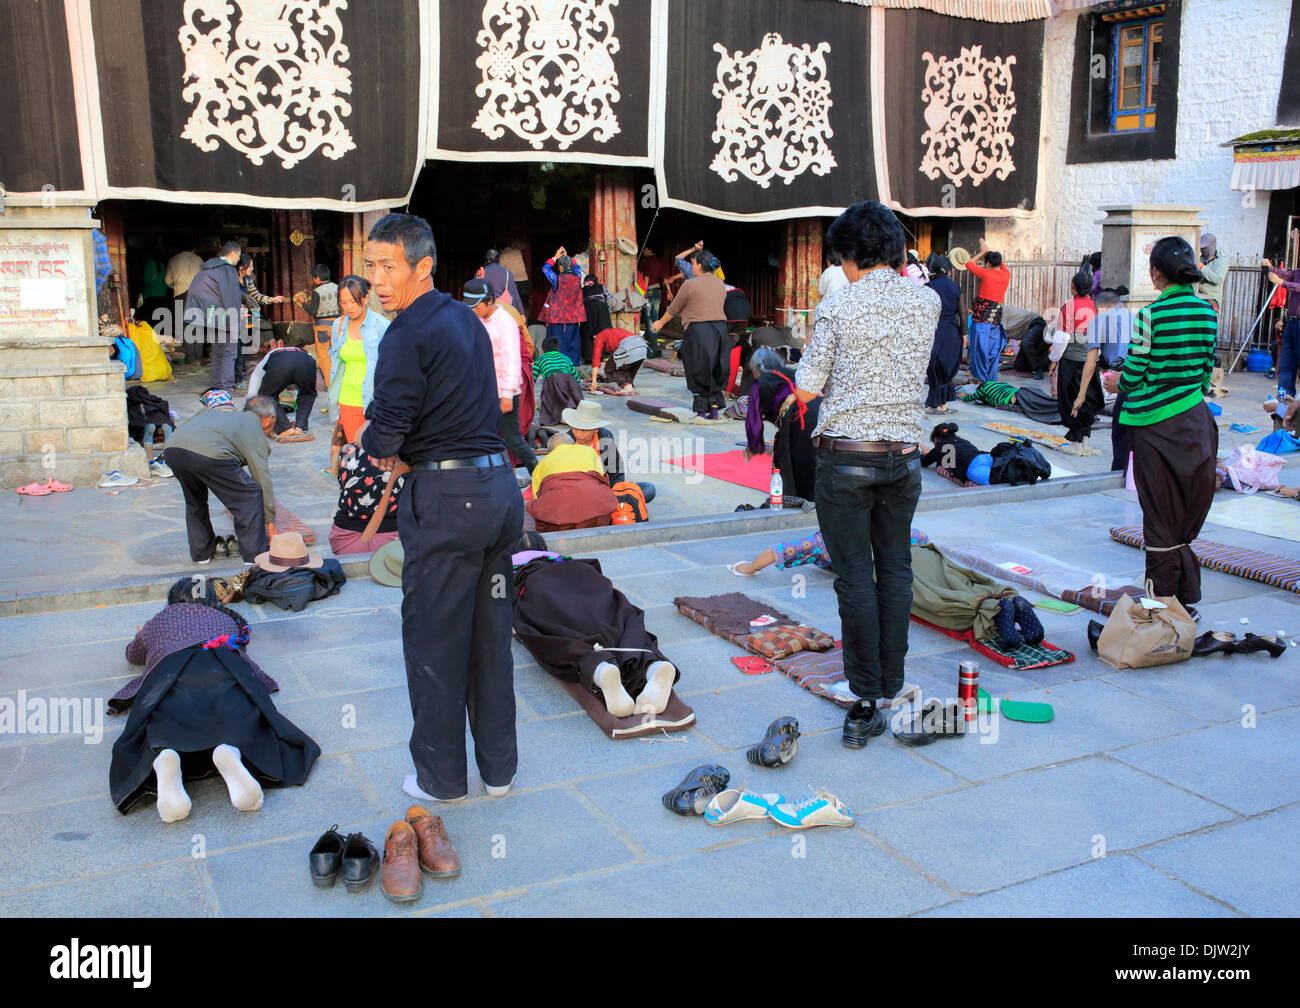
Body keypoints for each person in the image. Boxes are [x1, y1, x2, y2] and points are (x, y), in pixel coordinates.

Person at [359, 212, 523, 803]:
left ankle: (442, 781)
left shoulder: (406, 333)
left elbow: (389, 427)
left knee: (434, 643)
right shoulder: (465, 319)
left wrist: (375, 445)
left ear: (422, 267)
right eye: (370, 266)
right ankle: (499, 773)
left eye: (388, 266)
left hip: (449, 503)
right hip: (500, 495)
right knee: (489, 638)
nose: (377, 279)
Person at [792, 200, 939, 749]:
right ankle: (892, 683)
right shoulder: (927, 302)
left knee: (855, 575)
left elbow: (808, 386)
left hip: (846, 458)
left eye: (843, 259)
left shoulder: (839, 303)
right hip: (903, 456)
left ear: (852, 256)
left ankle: (864, 699)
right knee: (896, 567)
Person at [109, 583, 319, 822]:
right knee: (240, 715)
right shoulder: (227, 617)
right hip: (222, 666)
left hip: (171, 674)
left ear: (172, 601)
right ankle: (231, 750)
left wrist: (144, 635)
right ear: (212, 599)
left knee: (163, 718)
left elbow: (132, 654)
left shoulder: (161, 619)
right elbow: (243, 654)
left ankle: (164, 756)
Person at [1102, 237, 1218, 617]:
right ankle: (1185, 602)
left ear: (1156, 274)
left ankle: (1164, 603)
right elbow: (1205, 371)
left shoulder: (1151, 316)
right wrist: (1189, 393)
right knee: (1185, 510)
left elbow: (1135, 373)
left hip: (1155, 426)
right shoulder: (1208, 312)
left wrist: (1116, 382)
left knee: (1159, 515)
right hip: (1197, 421)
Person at [512, 546, 679, 718]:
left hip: (541, 587)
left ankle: (599, 669)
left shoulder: (506, 565)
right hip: (586, 579)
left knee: (555, 635)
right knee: (619, 622)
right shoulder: (559, 557)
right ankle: (652, 665)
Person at [163, 393, 278, 563]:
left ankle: (201, 554)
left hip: (173, 449)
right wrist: (270, 525)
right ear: (269, 419)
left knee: (195, 501)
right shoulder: (252, 425)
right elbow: (262, 478)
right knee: (249, 495)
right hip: (208, 453)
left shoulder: (213, 414)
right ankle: (254, 555)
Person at [463, 277, 537, 476]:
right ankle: (493, 477)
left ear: (489, 301)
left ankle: (538, 474)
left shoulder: (505, 321)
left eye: (476, 305)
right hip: (484, 390)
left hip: (505, 391)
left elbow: (512, 359)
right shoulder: (476, 319)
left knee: (512, 440)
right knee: (482, 437)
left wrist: (507, 395)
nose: (473, 309)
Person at [653, 248, 729, 418]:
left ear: (700, 265)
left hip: (699, 331)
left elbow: (673, 309)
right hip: (719, 330)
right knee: (715, 368)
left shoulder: (690, 284)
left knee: (697, 369)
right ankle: (715, 409)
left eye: (693, 263)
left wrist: (659, 323)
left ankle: (701, 411)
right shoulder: (720, 284)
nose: (691, 266)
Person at [744, 347, 819, 501]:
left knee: (794, 459)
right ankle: (819, 499)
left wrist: (754, 446)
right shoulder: (793, 373)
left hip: (798, 414)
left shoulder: (760, 382)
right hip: (820, 408)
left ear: (756, 368)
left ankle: (799, 500)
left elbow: (753, 419)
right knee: (816, 456)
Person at [328, 274, 391, 443]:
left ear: (365, 298)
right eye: (343, 302)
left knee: (375, 454)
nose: (348, 307)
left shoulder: (381, 326)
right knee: (355, 453)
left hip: (374, 401)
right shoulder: (339, 325)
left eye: (353, 301)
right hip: (347, 399)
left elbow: (390, 366)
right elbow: (335, 362)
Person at [1051, 271, 1102, 455]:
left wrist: (1054, 360)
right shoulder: (1095, 306)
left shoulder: (1069, 307)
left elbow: (1061, 337)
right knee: (1087, 399)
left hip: (1071, 360)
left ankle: (1076, 443)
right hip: (1090, 359)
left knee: (1070, 399)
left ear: (1073, 287)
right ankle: (1085, 442)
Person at [328, 441, 405, 555]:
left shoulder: (348, 449)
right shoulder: (407, 452)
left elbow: (343, 485)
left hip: (345, 539)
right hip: (393, 538)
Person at [185, 240, 244, 390]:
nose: (238, 259)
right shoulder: (228, 270)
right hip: (224, 315)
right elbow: (230, 296)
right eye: (238, 255)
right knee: (229, 353)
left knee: (217, 352)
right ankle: (227, 387)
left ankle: (217, 385)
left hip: (210, 316)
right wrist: (235, 319)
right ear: (232, 254)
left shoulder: (207, 269)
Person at [527, 434, 616, 532]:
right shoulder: (589, 451)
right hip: (597, 505)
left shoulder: (542, 464)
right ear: (574, 444)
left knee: (532, 507)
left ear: (549, 452)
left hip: (561, 512)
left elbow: (538, 497)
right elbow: (602, 477)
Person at [246, 346, 318, 440]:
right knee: (307, 395)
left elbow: (255, 388)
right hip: (307, 362)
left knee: (267, 397)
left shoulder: (265, 362)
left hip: (281, 364)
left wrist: (248, 407)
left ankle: (285, 428)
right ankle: (300, 427)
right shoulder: (306, 354)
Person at [965, 238, 1011, 382]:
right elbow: (1001, 264)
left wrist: (982, 252)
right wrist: (989, 251)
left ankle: (982, 380)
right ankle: (990, 380)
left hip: (981, 319)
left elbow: (968, 264)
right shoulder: (1006, 274)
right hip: (996, 320)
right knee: (992, 351)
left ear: (988, 263)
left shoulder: (986, 273)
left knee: (979, 350)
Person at [924, 255, 966, 413]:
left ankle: (935, 403)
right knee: (948, 366)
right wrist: (964, 334)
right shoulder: (955, 287)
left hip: (934, 330)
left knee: (934, 366)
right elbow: (962, 313)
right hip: (952, 331)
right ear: (948, 271)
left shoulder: (928, 287)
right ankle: (944, 405)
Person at [237, 254, 286, 386]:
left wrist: (272, 299)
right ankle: (235, 378)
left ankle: (239, 375)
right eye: (250, 266)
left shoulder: (247, 280)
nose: (252, 269)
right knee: (235, 347)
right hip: (232, 316)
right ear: (241, 267)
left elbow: (256, 295)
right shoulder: (231, 280)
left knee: (242, 344)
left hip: (245, 316)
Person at [1263, 257, 1300, 397]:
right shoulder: (1297, 272)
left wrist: (1281, 283)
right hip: (1292, 323)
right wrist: (1270, 268)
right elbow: (1285, 274)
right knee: (1286, 364)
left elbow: (1295, 285)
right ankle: (1284, 399)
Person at [542, 247, 586, 365]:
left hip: (557, 319)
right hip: (572, 319)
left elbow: (545, 268)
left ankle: (556, 365)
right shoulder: (577, 277)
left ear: (560, 267)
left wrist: (555, 258)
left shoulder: (556, 279)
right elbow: (577, 267)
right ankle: (572, 366)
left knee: (556, 344)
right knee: (572, 343)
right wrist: (570, 258)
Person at [920, 421, 991, 485]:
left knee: (995, 484)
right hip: (985, 456)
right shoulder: (961, 440)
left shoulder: (939, 447)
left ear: (935, 439)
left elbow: (923, 462)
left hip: (972, 466)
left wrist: (927, 453)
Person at [167, 249, 204, 363]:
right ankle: (198, 357)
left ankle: (189, 357)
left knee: (183, 326)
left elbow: (167, 280)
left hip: (180, 295)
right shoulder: (199, 260)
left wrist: (176, 285)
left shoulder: (173, 260)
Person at [590, 326, 647, 393]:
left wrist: (594, 380)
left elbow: (596, 358)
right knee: (624, 367)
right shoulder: (614, 332)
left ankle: (626, 385)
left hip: (629, 348)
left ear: (594, 337)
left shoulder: (600, 336)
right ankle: (627, 385)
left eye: (594, 342)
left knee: (609, 369)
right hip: (643, 348)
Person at [580, 274, 613, 365]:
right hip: (601, 309)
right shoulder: (601, 287)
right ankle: (604, 355)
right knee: (603, 331)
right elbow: (610, 298)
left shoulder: (582, 290)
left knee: (587, 333)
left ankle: (589, 357)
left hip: (587, 311)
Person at [1199, 234, 1227, 312]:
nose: (1202, 250)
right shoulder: (1199, 259)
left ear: (1212, 246)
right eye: (1201, 248)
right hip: (1197, 294)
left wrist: (1201, 267)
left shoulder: (1221, 261)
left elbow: (1218, 279)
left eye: (1205, 247)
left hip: (1210, 297)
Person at [306, 264, 341, 329]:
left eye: (313, 278)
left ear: (317, 278)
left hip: (322, 324)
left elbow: (312, 312)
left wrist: (303, 303)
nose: (313, 280)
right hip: (337, 323)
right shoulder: (337, 287)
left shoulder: (317, 291)